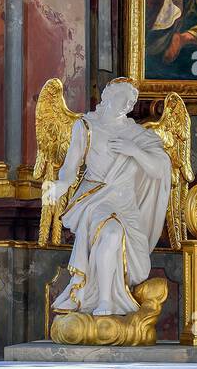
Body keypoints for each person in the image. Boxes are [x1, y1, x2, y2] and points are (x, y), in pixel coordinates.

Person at [47, 81, 171, 317]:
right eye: (121, 97)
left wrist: (134, 150)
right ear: (106, 96)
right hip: (97, 199)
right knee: (111, 233)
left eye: (131, 102)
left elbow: (159, 169)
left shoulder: (138, 134)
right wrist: (60, 185)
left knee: (134, 260)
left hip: (126, 203)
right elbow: (70, 168)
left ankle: (104, 298)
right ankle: (104, 301)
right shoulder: (86, 126)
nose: (126, 104)